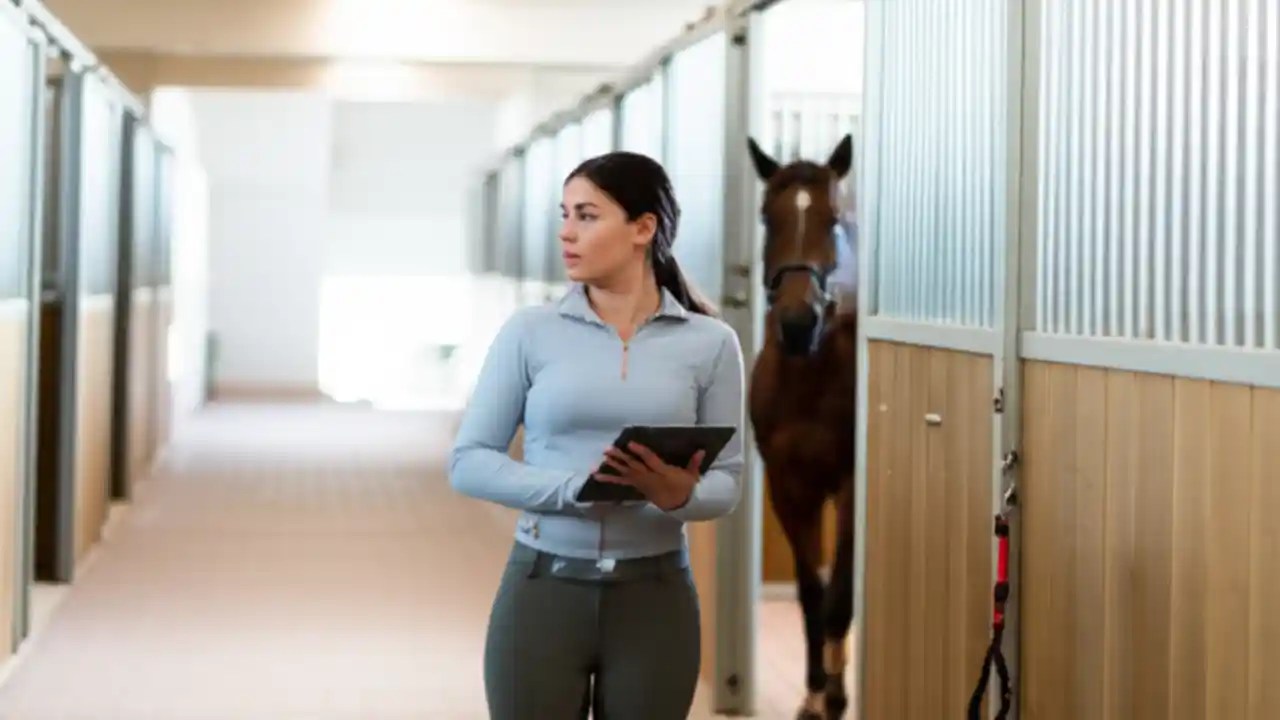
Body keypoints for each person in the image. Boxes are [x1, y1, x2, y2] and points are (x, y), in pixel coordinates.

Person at [449, 150, 745, 719]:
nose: (566, 232)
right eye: (564, 214)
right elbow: (469, 461)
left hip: (657, 598)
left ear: (643, 228)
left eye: (586, 215)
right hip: (542, 588)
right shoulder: (529, 332)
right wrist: (574, 490)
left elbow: (729, 481)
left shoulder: (710, 343)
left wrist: (679, 494)